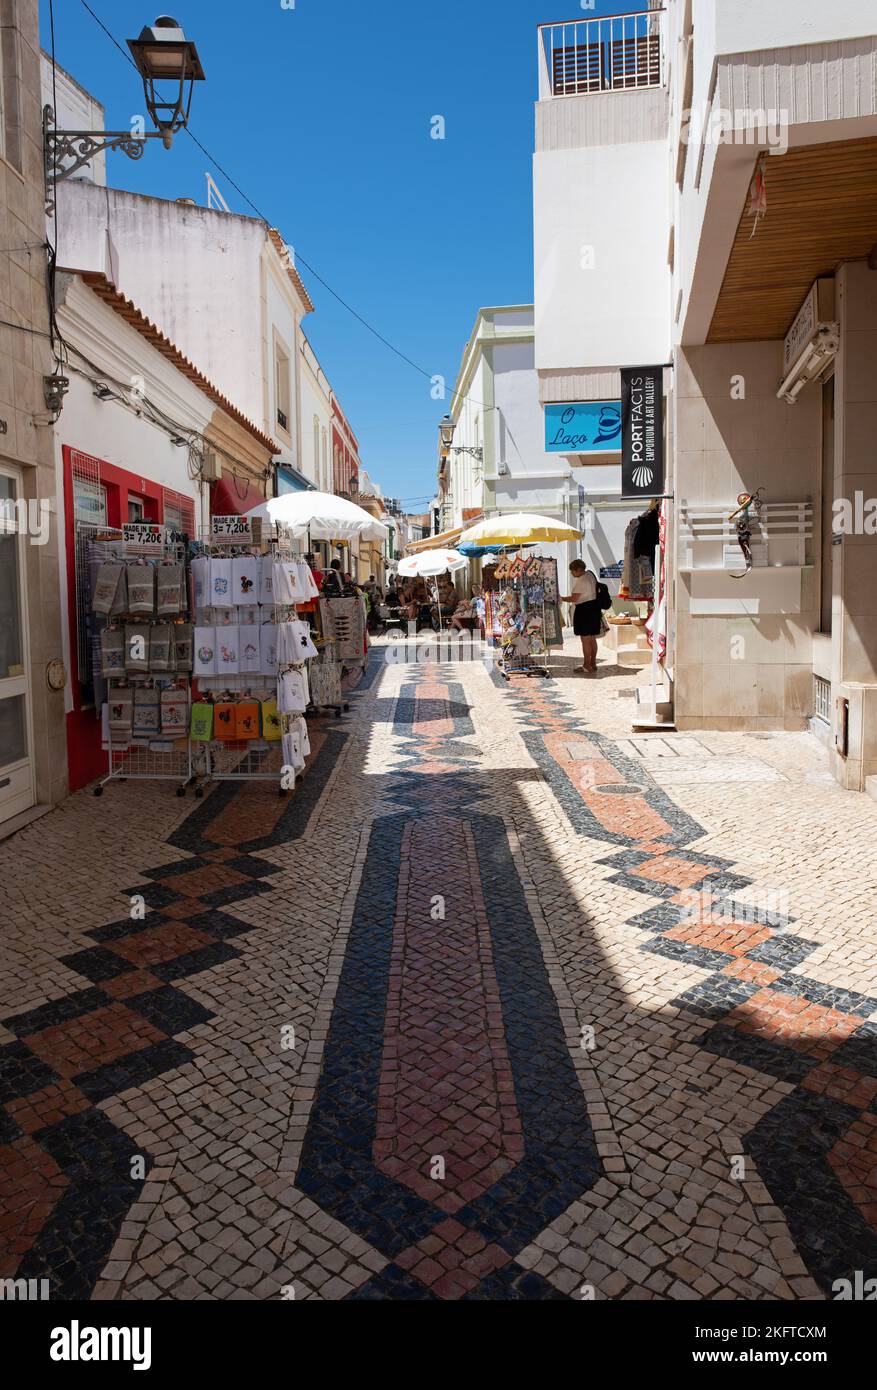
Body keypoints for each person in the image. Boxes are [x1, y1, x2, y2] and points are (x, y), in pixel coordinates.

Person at [561, 559, 601, 674]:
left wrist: (562, 598)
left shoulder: (581, 581)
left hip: (585, 611)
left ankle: (586, 665)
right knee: (592, 638)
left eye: (572, 571)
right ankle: (592, 663)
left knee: (585, 640)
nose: (571, 574)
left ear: (578, 570)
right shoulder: (590, 575)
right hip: (594, 608)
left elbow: (574, 599)